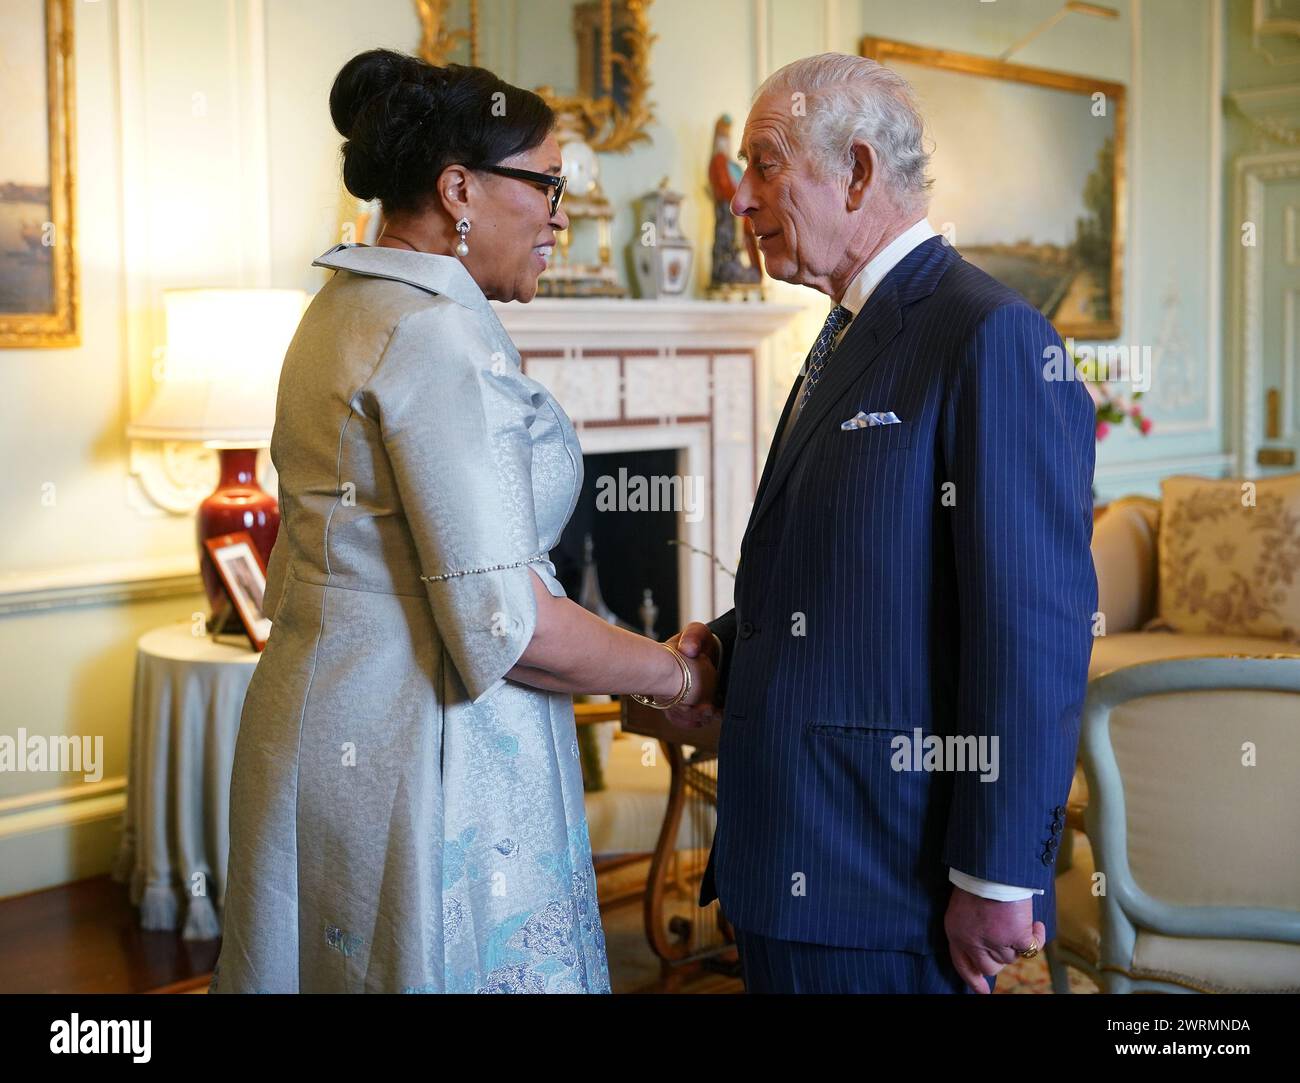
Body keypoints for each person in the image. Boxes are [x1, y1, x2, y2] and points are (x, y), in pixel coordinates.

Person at [210, 49, 714, 994]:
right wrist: (679, 673)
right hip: (422, 755)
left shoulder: (340, 306)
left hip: (319, 725)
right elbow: (509, 626)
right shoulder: (437, 335)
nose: (563, 216)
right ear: (458, 190)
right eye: (548, 184)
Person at [665, 53, 1097, 994]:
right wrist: (723, 651)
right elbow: (862, 581)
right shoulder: (842, 328)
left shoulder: (992, 334)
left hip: (886, 881)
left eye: (765, 164)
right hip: (792, 861)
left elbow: (1032, 630)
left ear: (857, 172)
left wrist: (997, 873)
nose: (740, 196)